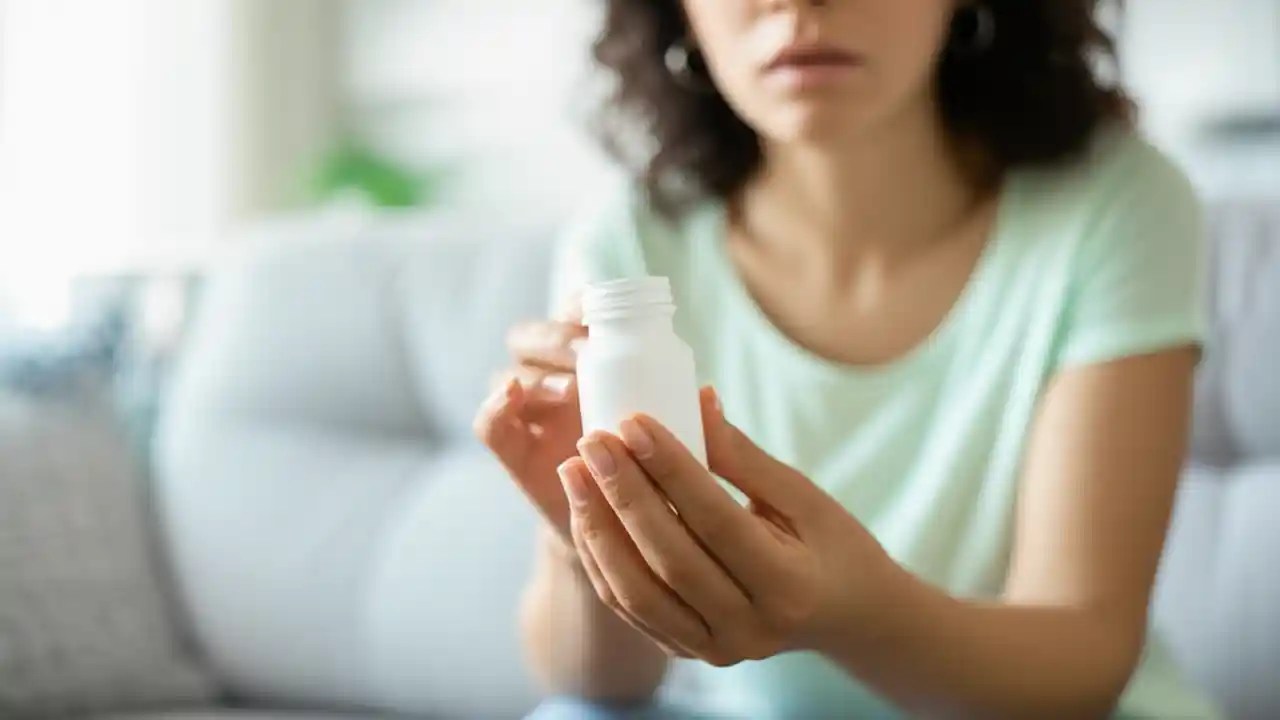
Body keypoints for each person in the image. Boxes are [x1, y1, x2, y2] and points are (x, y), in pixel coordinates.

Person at [474, 1, 1221, 718]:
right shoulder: (626, 242)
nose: (800, 3)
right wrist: (583, 535)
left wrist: (854, 614)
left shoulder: (1113, 205)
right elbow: (595, 687)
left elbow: (1080, 668)